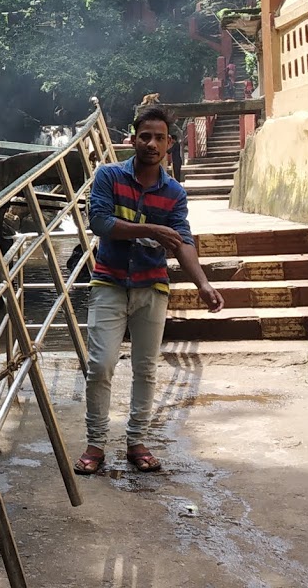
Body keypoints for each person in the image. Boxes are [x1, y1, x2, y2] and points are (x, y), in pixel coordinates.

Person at [73, 106, 224, 475]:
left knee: (146, 368)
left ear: (169, 144)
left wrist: (203, 283)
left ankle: (137, 441)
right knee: (100, 365)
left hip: (152, 286)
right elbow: (100, 222)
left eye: (159, 137)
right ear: (132, 139)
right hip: (109, 281)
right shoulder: (108, 176)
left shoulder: (174, 193)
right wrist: (150, 230)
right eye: (145, 136)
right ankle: (95, 444)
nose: (152, 143)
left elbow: (182, 240)